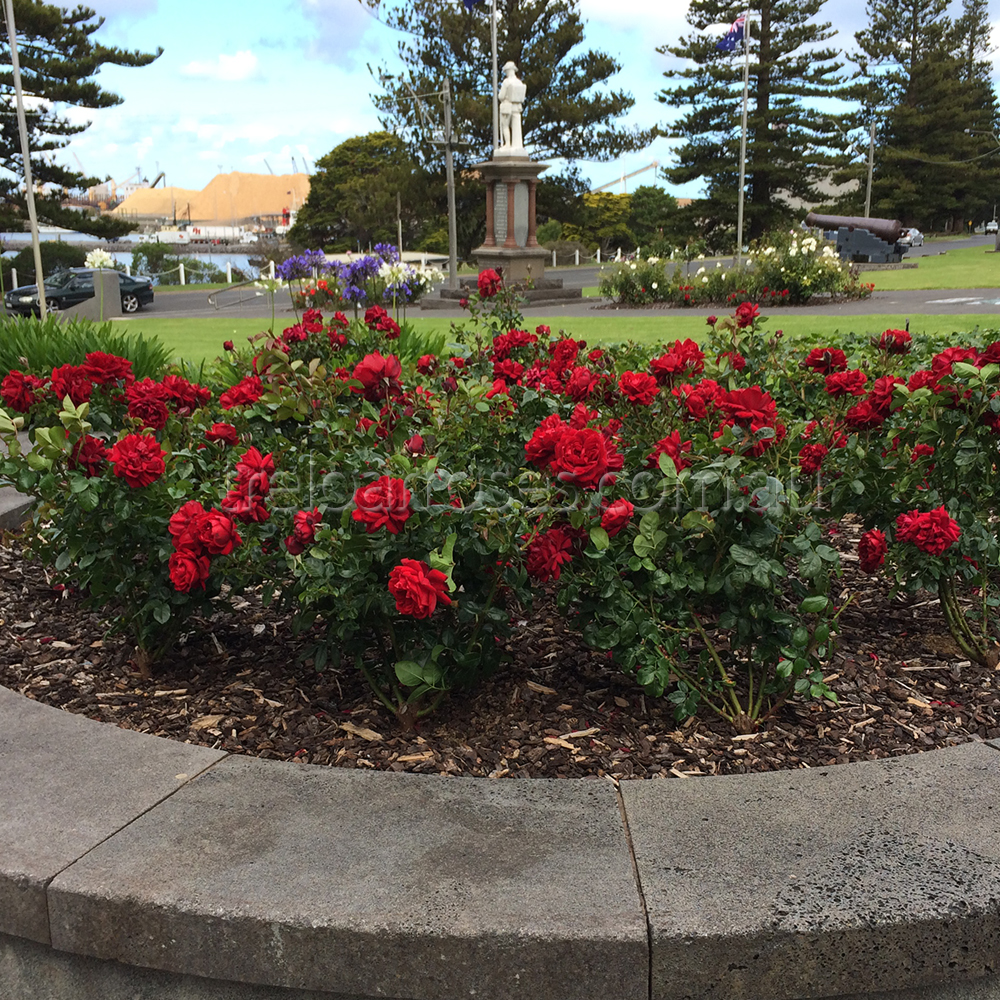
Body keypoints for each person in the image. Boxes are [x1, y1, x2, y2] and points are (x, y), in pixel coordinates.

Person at [498, 61, 526, 152]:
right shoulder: (519, 82)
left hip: (508, 107)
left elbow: (501, 96)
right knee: (517, 127)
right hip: (517, 108)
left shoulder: (507, 82)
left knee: (505, 126)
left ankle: (507, 144)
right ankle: (517, 145)